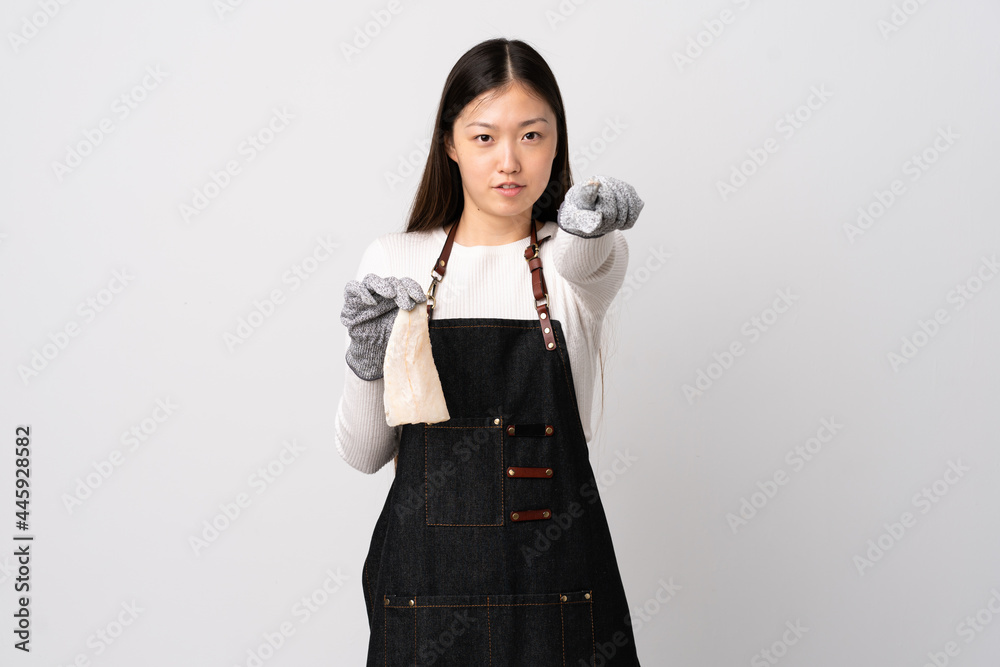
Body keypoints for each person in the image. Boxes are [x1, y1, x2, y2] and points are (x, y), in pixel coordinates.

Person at [337, 37, 645, 666]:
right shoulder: (395, 261)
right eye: (484, 138)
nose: (509, 161)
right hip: (424, 598)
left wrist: (591, 221)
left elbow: (587, 256)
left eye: (531, 135)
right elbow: (365, 454)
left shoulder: (574, 262)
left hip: (557, 599)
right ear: (449, 143)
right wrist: (369, 353)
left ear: (557, 142)